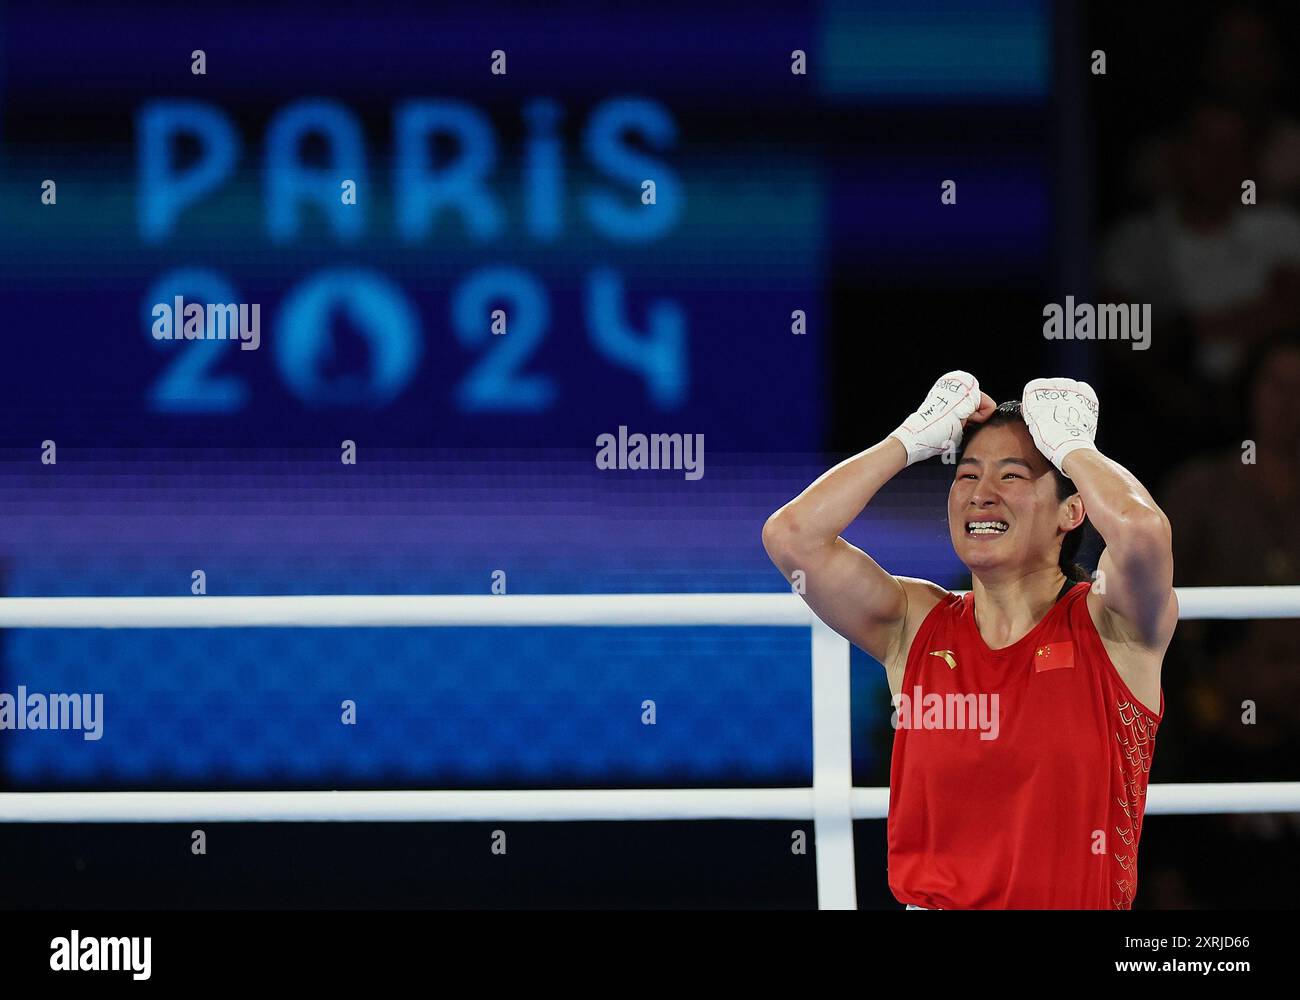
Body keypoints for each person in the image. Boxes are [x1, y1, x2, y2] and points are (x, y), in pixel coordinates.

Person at [762, 373, 1177, 909]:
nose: (982, 495)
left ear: (1071, 511)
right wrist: (908, 440)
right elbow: (791, 536)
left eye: (1012, 475)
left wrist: (1073, 447)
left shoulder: (1116, 626)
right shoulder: (914, 625)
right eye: (966, 475)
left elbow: (1143, 531)